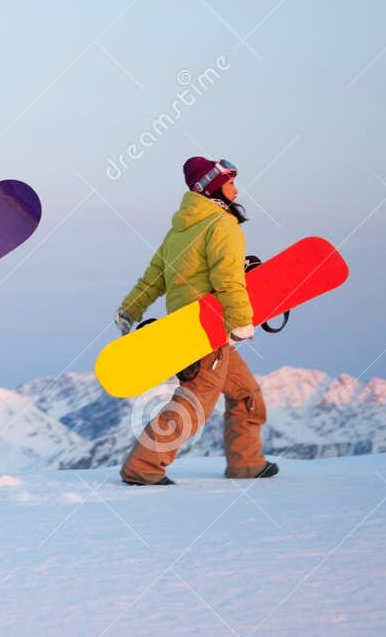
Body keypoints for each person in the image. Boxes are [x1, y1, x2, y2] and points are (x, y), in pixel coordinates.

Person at [114, 156, 278, 486]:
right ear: (213, 187)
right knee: (195, 403)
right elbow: (228, 278)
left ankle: (246, 462)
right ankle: (144, 466)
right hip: (208, 329)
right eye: (230, 181)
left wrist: (129, 310)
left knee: (247, 394)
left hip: (192, 327)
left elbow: (152, 279)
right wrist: (241, 320)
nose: (236, 187)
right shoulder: (221, 225)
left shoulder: (179, 230)